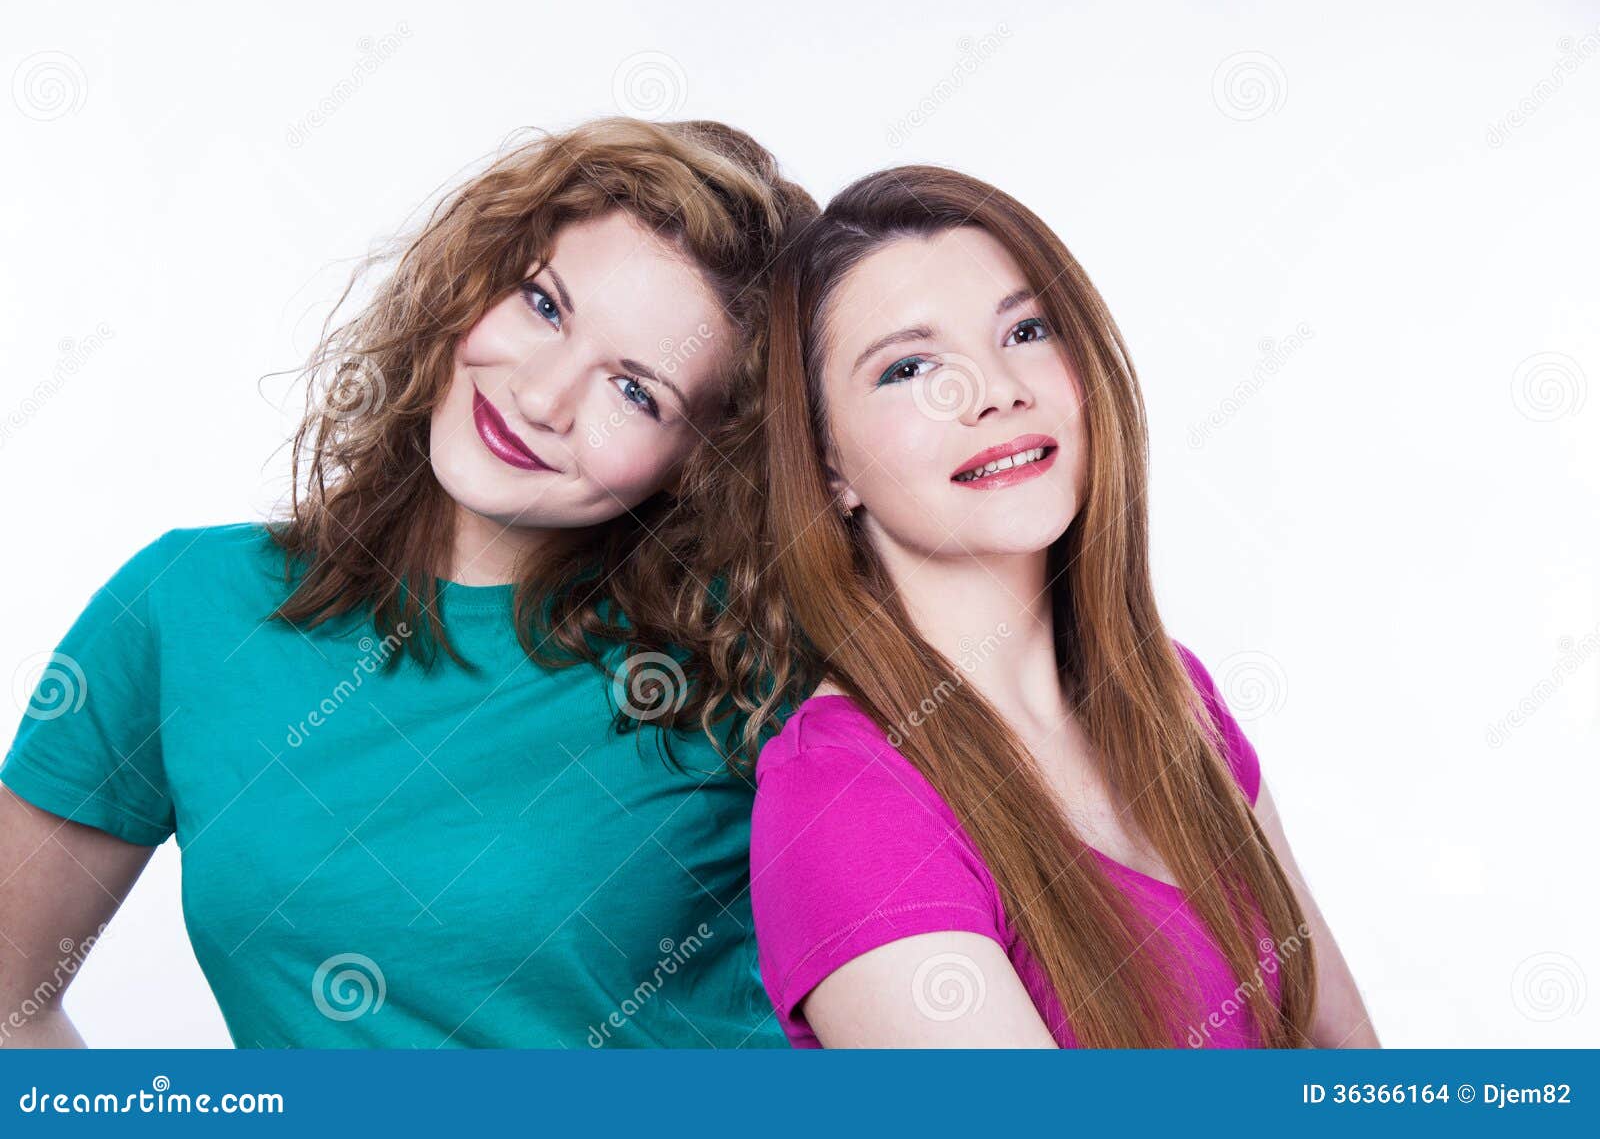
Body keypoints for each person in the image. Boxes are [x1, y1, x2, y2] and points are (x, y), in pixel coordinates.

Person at [0, 117, 816, 1048]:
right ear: (475, 276)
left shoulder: (750, 655)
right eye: (544, 306)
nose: (541, 398)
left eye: (636, 391)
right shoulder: (187, 606)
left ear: (703, 460)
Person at [725, 165, 1378, 1048]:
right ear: (828, 464)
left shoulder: (1174, 695)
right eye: (909, 367)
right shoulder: (843, 799)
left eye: (1026, 329)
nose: (993, 389)